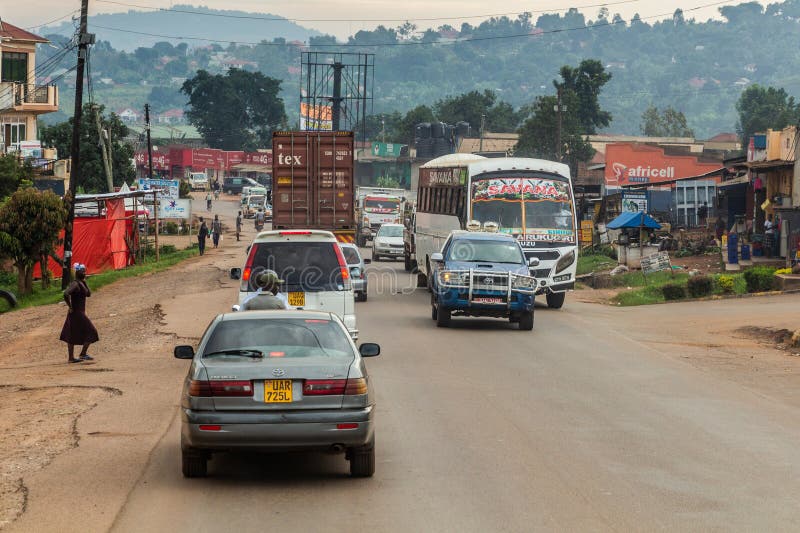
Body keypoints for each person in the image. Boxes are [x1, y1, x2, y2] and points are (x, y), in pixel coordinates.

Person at [60, 263, 99, 363]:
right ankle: (79, 355)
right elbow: (66, 293)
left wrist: (84, 282)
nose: (84, 273)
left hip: (79, 312)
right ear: (77, 272)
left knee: (72, 333)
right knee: (92, 331)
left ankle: (75, 357)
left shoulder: (80, 282)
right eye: (82, 271)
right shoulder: (75, 284)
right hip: (76, 312)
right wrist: (70, 306)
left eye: (84, 271)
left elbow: (88, 294)